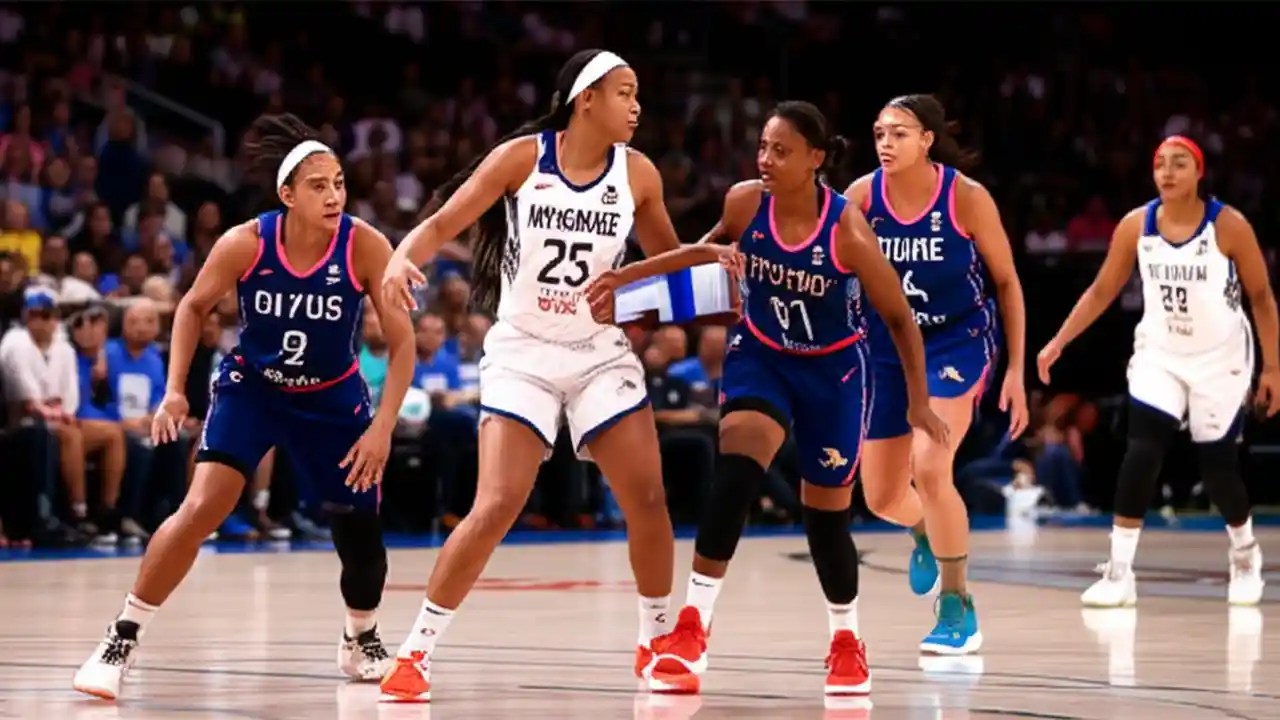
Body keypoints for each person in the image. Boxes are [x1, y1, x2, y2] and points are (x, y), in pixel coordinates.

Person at [377, 49, 738, 703]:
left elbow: (669, 271)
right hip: (523, 352)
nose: (637, 106)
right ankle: (416, 653)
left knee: (648, 500)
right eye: (625, 93)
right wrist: (403, 257)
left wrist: (706, 271)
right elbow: (440, 223)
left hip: (599, 351)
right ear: (586, 98)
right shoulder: (523, 159)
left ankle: (657, 639)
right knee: (495, 505)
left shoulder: (639, 174)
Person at [72, 113, 417, 700]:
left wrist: (384, 424)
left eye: (338, 183)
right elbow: (189, 307)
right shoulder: (246, 243)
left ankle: (361, 635)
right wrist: (176, 389)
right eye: (318, 185)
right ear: (287, 194)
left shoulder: (363, 244)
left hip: (332, 398)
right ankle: (122, 635)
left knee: (360, 537)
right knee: (202, 505)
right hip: (253, 390)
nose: (334, 195)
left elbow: (403, 339)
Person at [641, 101, 948, 696]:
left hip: (833, 373)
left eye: (780, 151)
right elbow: (699, 262)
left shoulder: (847, 230)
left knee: (824, 520)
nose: (766, 160)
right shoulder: (744, 203)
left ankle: (845, 640)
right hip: (761, 355)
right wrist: (647, 310)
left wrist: (917, 403)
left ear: (814, 159)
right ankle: (692, 627)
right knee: (733, 471)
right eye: (762, 147)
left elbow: (900, 319)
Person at [1038, 135, 1276, 607]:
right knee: (1142, 451)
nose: (1167, 172)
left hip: (1221, 358)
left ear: (1198, 172)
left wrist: (1271, 368)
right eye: (1160, 164)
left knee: (1218, 469)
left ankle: (1245, 553)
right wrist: (1057, 342)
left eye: (1179, 163)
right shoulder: (1135, 226)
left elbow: (1263, 298)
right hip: (1160, 354)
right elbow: (1101, 291)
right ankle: (1119, 572)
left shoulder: (1229, 226)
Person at [845, 94, 1028, 655]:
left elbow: (1007, 283)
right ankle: (924, 530)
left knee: (930, 463)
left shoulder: (966, 199)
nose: (885, 143)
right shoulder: (860, 197)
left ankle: (957, 606)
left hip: (957, 339)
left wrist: (1017, 370)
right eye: (879, 132)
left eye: (898, 132)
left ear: (927, 139)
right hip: (890, 345)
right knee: (878, 496)